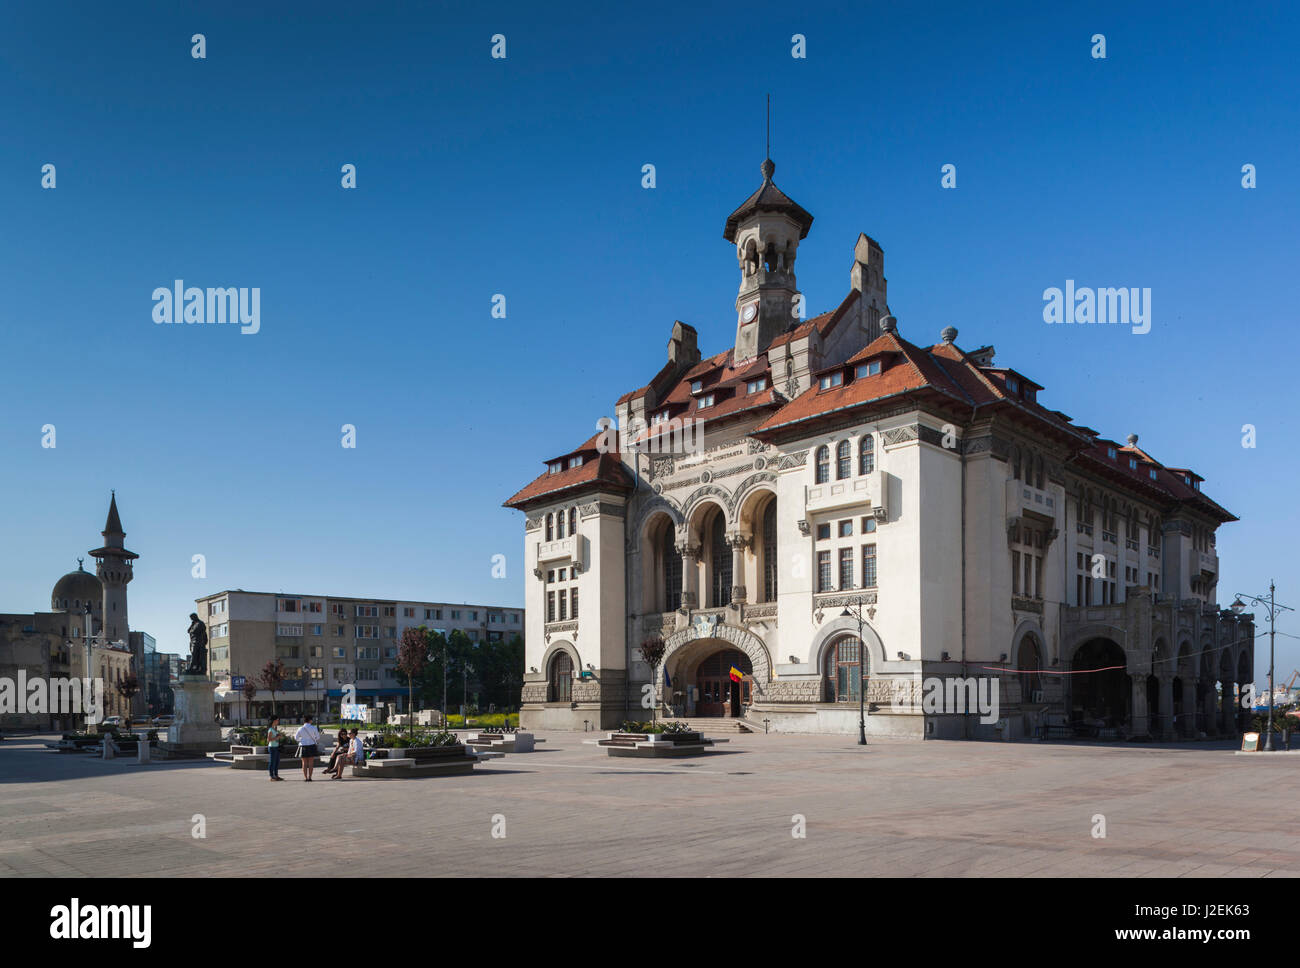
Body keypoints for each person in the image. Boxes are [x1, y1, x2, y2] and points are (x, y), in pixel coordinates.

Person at [294, 714, 323, 781]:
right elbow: (318, 737)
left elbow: (296, 738)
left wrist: (302, 740)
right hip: (311, 745)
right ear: (310, 720)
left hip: (303, 746)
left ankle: (305, 777)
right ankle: (310, 777)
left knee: (304, 763)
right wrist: (312, 738)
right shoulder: (313, 728)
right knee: (311, 763)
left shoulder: (300, 728)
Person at [266, 715, 284, 781]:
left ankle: (276, 775)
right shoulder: (270, 729)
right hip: (272, 747)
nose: (278, 721)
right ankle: (271, 776)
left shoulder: (274, 729)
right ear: (274, 721)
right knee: (272, 762)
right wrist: (277, 737)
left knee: (276, 762)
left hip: (276, 747)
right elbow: (268, 739)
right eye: (277, 720)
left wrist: (278, 736)